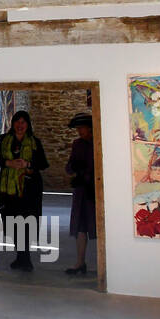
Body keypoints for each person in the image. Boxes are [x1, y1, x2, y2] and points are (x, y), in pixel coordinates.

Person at [0, 110, 47, 271]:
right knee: (11, 222)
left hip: (29, 190)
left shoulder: (34, 142)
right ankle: (21, 255)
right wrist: (9, 163)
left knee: (27, 222)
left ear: (27, 124)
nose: (20, 125)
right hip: (8, 191)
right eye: (17, 121)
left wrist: (27, 165)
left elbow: (43, 163)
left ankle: (25, 257)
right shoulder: (3, 140)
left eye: (23, 122)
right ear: (13, 123)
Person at [65, 112, 96, 275]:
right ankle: (80, 262)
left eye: (81, 128)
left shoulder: (97, 143)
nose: (79, 131)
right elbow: (69, 166)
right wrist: (74, 169)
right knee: (80, 227)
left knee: (98, 225)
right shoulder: (77, 144)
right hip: (81, 191)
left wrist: (87, 174)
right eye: (78, 128)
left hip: (94, 190)